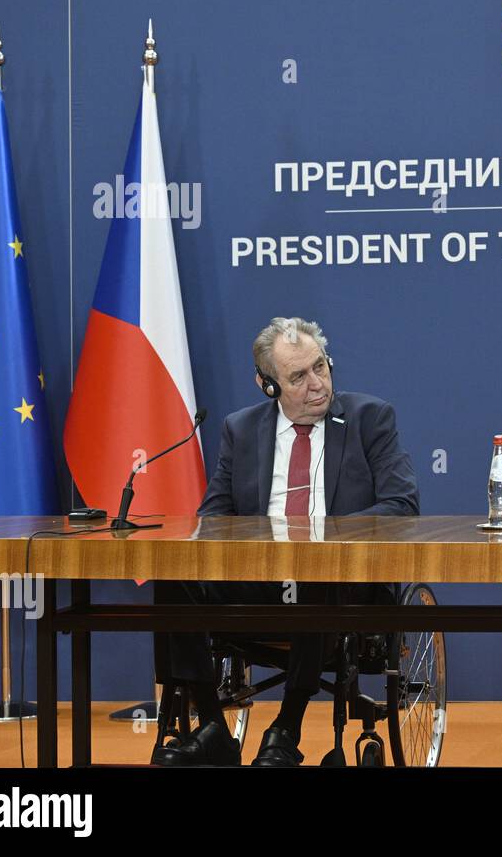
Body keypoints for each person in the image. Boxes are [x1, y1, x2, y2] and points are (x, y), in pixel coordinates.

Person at [152, 316, 419, 766]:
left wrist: (323, 538)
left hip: (337, 583)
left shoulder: (369, 418)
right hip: (255, 581)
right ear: (267, 385)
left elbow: (401, 506)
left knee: (317, 569)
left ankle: (286, 729)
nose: (317, 384)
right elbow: (213, 518)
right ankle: (213, 725)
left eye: (321, 366)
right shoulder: (241, 429)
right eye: (298, 376)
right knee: (173, 575)